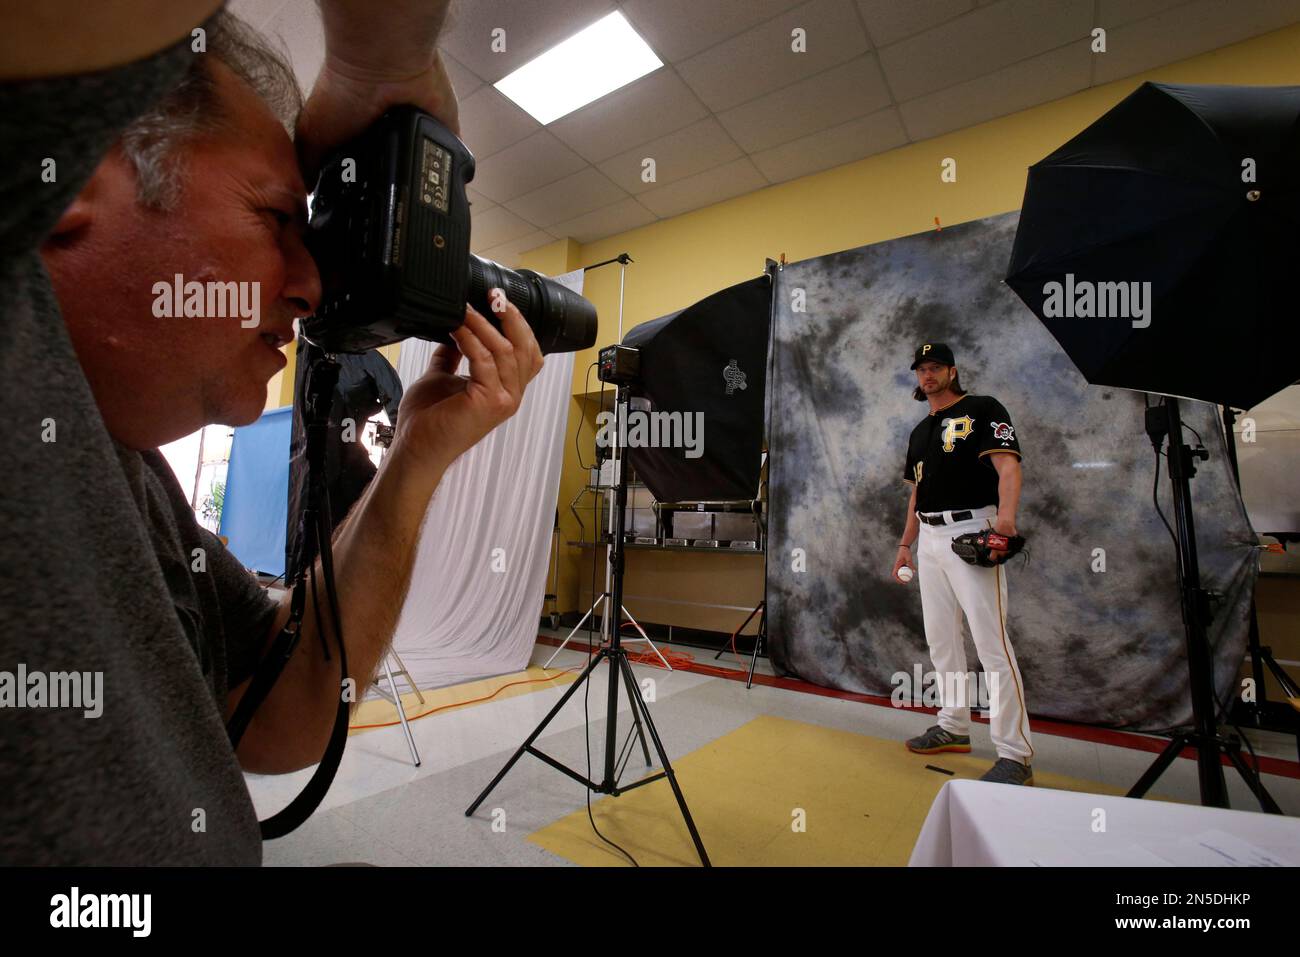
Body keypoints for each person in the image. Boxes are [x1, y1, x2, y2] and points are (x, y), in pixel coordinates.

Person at [1, 1, 543, 864]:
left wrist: (413, 458)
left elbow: (279, 714)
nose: (310, 288)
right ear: (70, 180)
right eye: (274, 219)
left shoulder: (136, 476)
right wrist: (380, 65)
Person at [890, 343, 1035, 785]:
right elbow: (916, 494)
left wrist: (1005, 520)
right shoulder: (919, 431)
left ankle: (1015, 752)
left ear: (952, 371)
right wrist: (905, 545)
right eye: (921, 369)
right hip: (930, 536)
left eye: (935, 367)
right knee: (941, 640)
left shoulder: (983, 408)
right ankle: (953, 726)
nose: (927, 375)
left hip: (973, 529)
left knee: (992, 644)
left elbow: (1008, 467)